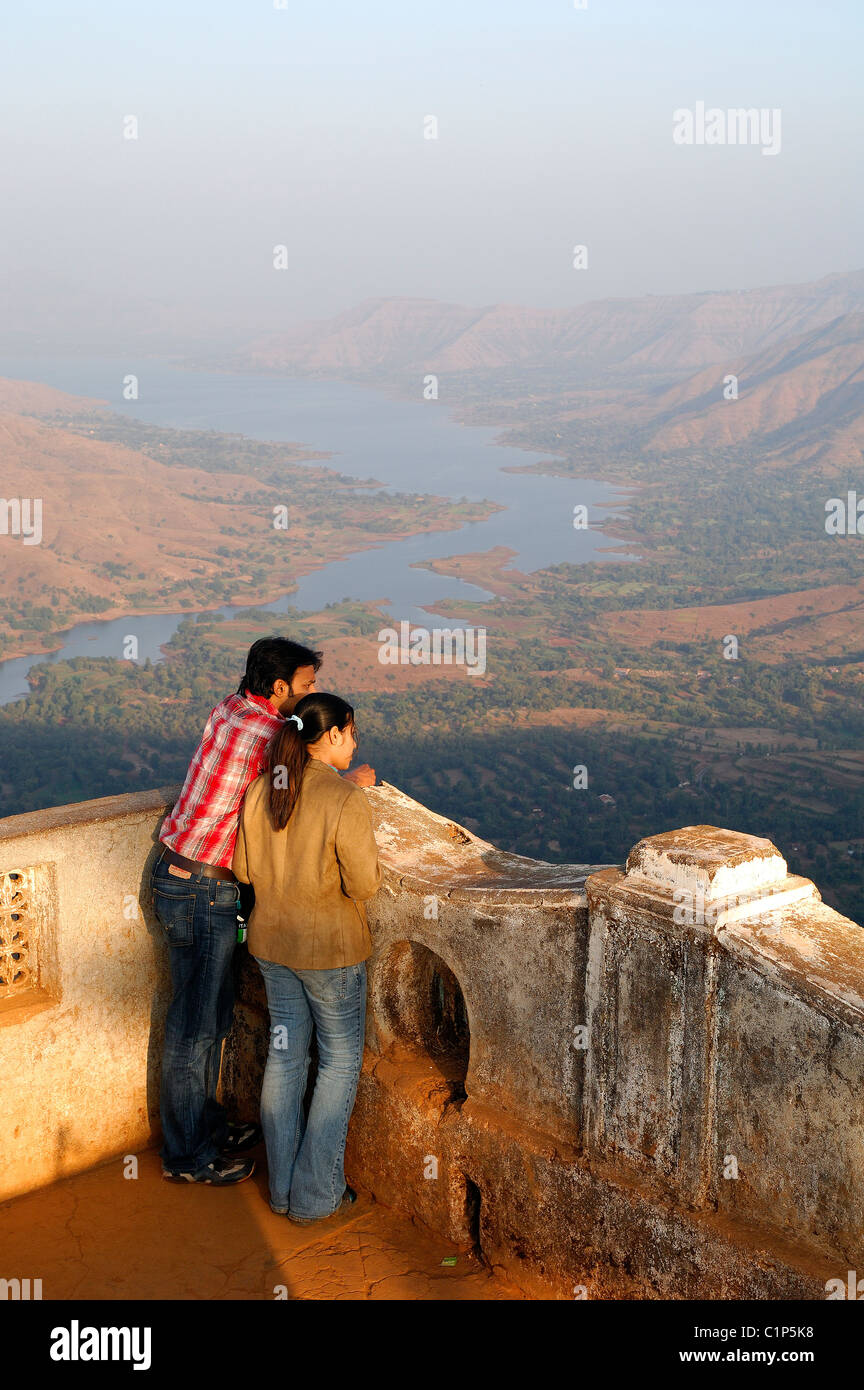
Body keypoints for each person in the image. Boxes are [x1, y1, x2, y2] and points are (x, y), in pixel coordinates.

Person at [151, 637, 376, 1187]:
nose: (308, 698)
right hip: (205, 889)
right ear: (278, 689)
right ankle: (188, 1156)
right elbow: (297, 792)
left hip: (175, 870)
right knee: (194, 1029)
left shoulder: (230, 706)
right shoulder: (268, 736)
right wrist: (349, 786)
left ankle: (206, 1127)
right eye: (303, 687)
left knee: (213, 1017)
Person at [232, 692, 381, 1222]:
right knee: (338, 1063)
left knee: (286, 1057)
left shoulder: (263, 790)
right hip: (329, 951)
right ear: (335, 734)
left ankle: (280, 1192)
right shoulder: (344, 801)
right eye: (352, 731)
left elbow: (246, 870)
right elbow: (364, 884)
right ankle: (316, 1197)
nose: (356, 742)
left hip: (271, 946)